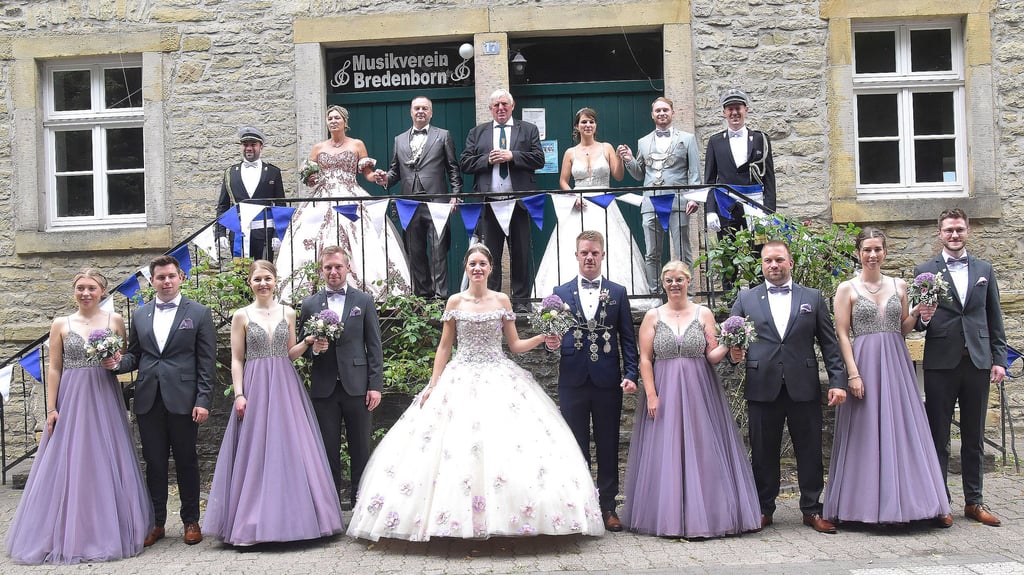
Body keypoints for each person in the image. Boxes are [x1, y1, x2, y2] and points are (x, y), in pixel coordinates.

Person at [346, 244, 604, 541]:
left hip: (498, 373)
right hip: (460, 374)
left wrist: (543, 337)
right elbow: (444, 347)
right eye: (472, 264)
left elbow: (516, 345)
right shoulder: (455, 301)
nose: (478, 268)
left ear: (491, 268)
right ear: (466, 269)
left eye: (483, 263)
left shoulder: (502, 299)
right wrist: (433, 384)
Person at [6, 270, 154, 564]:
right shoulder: (61, 323)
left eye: (91, 288)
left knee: (104, 457)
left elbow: (122, 360)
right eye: (80, 288)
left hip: (103, 395)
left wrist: (113, 361)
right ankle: (62, 530)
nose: (85, 292)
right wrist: (52, 407)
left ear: (102, 291)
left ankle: (106, 527)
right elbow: (54, 368)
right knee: (69, 459)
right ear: (74, 291)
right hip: (72, 397)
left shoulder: (115, 321)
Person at [203, 260, 343, 545]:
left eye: (267, 278)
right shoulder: (241, 316)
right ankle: (252, 521)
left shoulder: (288, 312)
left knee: (291, 446)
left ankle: (297, 517)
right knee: (255, 450)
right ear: (250, 284)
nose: (263, 283)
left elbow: (290, 353)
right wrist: (240, 394)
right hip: (255, 384)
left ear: (275, 280)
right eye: (257, 279)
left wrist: (307, 342)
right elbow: (236, 359)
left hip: (284, 384)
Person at [622, 261, 761, 538]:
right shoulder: (653, 316)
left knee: (702, 449)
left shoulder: (703, 313)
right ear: (663, 284)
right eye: (669, 280)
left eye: (680, 280)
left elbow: (711, 355)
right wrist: (651, 395)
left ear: (689, 282)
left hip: (699, 390)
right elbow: (645, 359)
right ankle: (670, 517)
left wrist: (731, 343)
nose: (674, 285)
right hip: (665, 391)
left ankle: (708, 514)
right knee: (666, 451)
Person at [825, 229, 952, 526]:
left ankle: (914, 502)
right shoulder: (847, 288)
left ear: (885, 251)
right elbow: (842, 333)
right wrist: (852, 374)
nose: (872, 255)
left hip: (896, 361)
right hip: (865, 361)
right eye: (867, 249)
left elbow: (903, 327)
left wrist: (921, 312)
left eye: (878, 249)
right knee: (866, 431)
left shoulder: (900, 284)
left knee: (905, 429)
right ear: (858, 252)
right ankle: (863, 506)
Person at [730, 240, 846, 533]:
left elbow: (830, 345)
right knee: (763, 451)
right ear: (761, 265)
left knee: (809, 450)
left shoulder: (813, 298)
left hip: (803, 385)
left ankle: (811, 508)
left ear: (790, 263)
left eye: (779, 260)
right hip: (761, 385)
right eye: (768, 260)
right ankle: (763, 508)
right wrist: (733, 358)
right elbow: (729, 341)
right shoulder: (746, 299)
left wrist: (837, 381)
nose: (774, 265)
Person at [105, 255, 217, 547]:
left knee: (186, 461)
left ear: (181, 277)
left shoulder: (200, 313)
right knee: (153, 462)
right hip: (148, 398)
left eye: (171, 276)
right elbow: (136, 354)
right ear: (152, 281)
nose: (166, 281)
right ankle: (156, 522)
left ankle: (191, 520)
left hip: (184, 399)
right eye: (160, 277)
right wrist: (118, 362)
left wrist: (203, 400)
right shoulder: (141, 314)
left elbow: (206, 362)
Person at [915, 208, 1007, 527]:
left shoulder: (985, 269)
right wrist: (924, 317)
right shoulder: (925, 270)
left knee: (974, 436)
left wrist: (999, 360)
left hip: (978, 362)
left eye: (959, 230)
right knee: (938, 435)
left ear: (968, 231)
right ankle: (942, 503)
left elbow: (994, 318)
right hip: (941, 362)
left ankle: (975, 500)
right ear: (939, 233)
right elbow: (919, 323)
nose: (954, 235)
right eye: (948, 230)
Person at [548, 230, 639, 532]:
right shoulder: (559, 292)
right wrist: (550, 343)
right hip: (572, 379)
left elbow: (628, 337)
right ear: (576, 255)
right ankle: (580, 506)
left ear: (602, 255)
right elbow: (552, 336)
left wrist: (630, 373)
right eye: (584, 252)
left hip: (606, 380)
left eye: (594, 253)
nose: (589, 257)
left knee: (608, 443)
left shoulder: (617, 291)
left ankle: (609, 506)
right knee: (576, 445)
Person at [276, 105, 410, 301]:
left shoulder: (356, 145)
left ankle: (368, 290)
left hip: (351, 195)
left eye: (337, 118)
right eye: (330, 118)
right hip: (322, 196)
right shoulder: (318, 148)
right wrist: (310, 179)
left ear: (345, 122)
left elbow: (368, 174)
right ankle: (306, 291)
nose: (333, 121)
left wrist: (377, 176)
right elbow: (309, 177)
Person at [298, 246, 384, 508]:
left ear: (348, 268)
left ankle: (360, 500)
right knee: (327, 449)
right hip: (324, 388)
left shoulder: (364, 301)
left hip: (357, 386)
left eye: (338, 266)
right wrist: (313, 348)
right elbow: (302, 347)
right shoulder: (309, 304)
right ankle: (330, 505)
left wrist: (375, 386)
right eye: (328, 267)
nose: (333, 272)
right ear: (321, 270)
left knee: (360, 447)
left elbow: (374, 346)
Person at [533, 108, 649, 299]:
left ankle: (615, 295)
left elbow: (618, 177)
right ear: (577, 127)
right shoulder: (570, 152)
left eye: (591, 122)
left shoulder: (606, 148)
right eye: (584, 122)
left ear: (596, 126)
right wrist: (573, 196)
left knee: (611, 247)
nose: (588, 125)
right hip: (579, 205)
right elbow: (563, 181)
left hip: (605, 205)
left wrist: (620, 158)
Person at [460, 88, 545, 310]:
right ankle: (493, 302)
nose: (500, 108)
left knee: (521, 253)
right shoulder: (477, 133)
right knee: (491, 255)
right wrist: (487, 160)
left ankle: (521, 303)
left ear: (512, 106)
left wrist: (513, 156)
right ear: (490, 109)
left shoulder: (528, 130)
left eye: (504, 104)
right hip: (490, 203)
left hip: (519, 202)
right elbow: (465, 163)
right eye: (496, 105)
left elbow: (539, 159)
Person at [374, 96, 463, 299]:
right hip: (409, 204)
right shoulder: (399, 139)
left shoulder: (443, 135)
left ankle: (440, 298)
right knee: (414, 252)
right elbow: (395, 172)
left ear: (431, 112)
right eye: (417, 108)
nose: (420, 111)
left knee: (438, 252)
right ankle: (423, 296)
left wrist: (456, 195)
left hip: (437, 202)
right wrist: (384, 178)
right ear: (411, 112)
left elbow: (453, 168)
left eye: (425, 108)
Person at [617, 97, 702, 289]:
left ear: (672, 113)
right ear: (652, 115)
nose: (662, 113)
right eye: (658, 111)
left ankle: (687, 295)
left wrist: (694, 198)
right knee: (652, 252)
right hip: (650, 202)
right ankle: (654, 295)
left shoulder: (687, 139)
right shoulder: (643, 141)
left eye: (665, 110)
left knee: (682, 251)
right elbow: (639, 175)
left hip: (678, 202)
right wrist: (629, 159)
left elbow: (695, 172)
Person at [704, 89, 776, 248]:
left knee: (759, 254)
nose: (734, 112)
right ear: (724, 112)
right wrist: (710, 210)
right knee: (728, 259)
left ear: (746, 110)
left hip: (756, 206)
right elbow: (709, 180)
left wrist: (769, 212)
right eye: (730, 109)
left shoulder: (760, 139)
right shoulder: (715, 141)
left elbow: (769, 178)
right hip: (726, 207)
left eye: (738, 108)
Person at [216, 126, 286, 260]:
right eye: (245, 144)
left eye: (253, 144)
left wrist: (278, 233)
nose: (248, 148)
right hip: (238, 233)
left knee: (263, 274)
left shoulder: (273, 172)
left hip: (264, 233)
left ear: (261, 147)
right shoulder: (230, 173)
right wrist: (220, 233)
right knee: (240, 276)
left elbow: (280, 205)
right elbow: (223, 206)